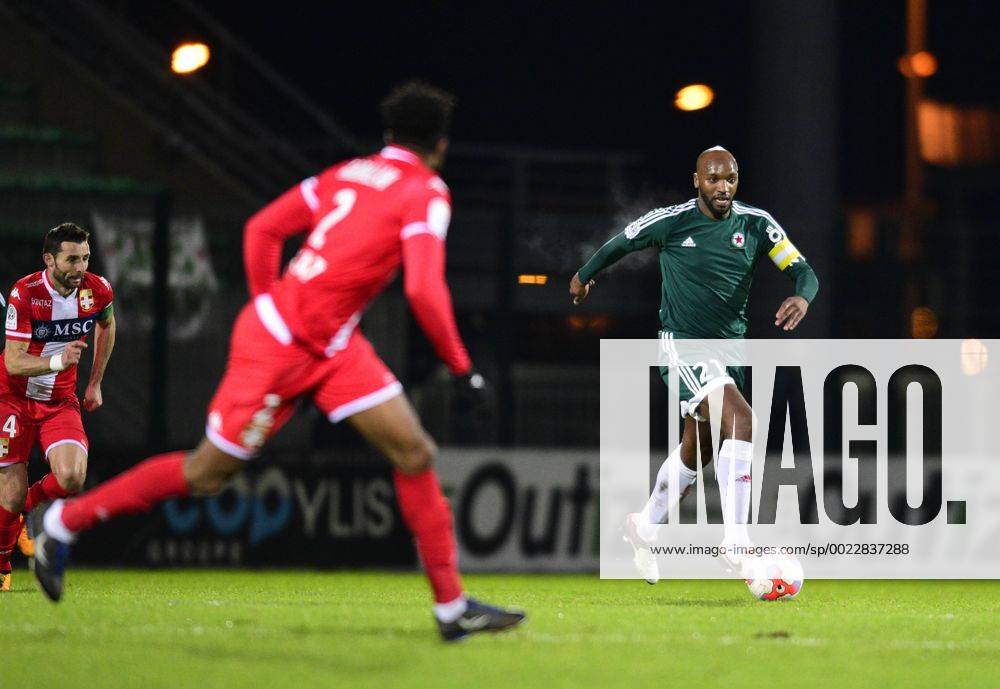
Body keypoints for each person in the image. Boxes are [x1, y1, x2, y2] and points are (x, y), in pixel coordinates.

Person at [30, 81, 524, 641]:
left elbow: (263, 228)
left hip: (333, 345)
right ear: (440, 145)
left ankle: (451, 608)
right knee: (206, 474)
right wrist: (461, 367)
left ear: (389, 135)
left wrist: (269, 302)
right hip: (281, 349)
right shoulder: (427, 191)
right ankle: (63, 524)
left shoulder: (347, 173)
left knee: (414, 452)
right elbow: (423, 291)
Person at [569, 147, 819, 583]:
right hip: (683, 347)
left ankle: (644, 527)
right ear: (697, 180)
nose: (723, 187)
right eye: (714, 179)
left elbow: (803, 270)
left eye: (730, 179)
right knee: (742, 421)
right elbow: (624, 240)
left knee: (698, 450)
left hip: (731, 353)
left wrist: (802, 295)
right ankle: (736, 541)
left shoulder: (756, 224)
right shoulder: (673, 221)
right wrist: (584, 275)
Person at [1, 223, 116, 592]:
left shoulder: (98, 290)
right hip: (13, 398)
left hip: (59, 401)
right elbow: (13, 361)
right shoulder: (25, 293)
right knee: (9, 493)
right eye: (72, 259)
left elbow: (107, 324)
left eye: (85, 258)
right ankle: (2, 564)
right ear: (49, 260)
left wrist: (95, 382)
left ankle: (25, 510)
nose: (80, 267)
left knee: (71, 477)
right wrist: (57, 362)